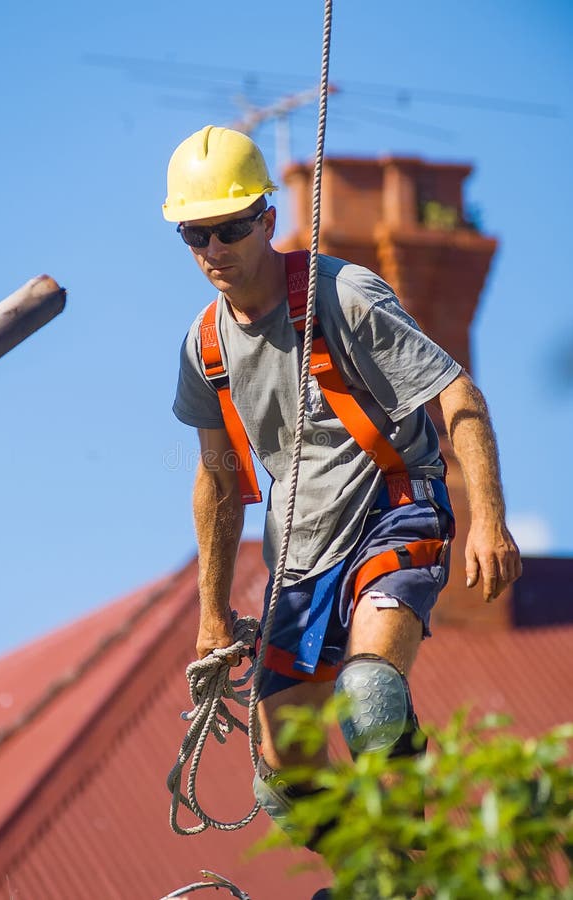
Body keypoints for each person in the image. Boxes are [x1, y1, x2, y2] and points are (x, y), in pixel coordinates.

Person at [164, 125, 522, 888]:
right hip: (300, 552)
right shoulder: (206, 346)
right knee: (285, 783)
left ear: (266, 218)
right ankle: (378, 871)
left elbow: (458, 394)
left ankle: (423, 869)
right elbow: (218, 483)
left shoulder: (341, 293)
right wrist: (212, 610)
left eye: (230, 228)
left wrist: (489, 516)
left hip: (396, 506)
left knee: (369, 694)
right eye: (196, 234)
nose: (214, 249)